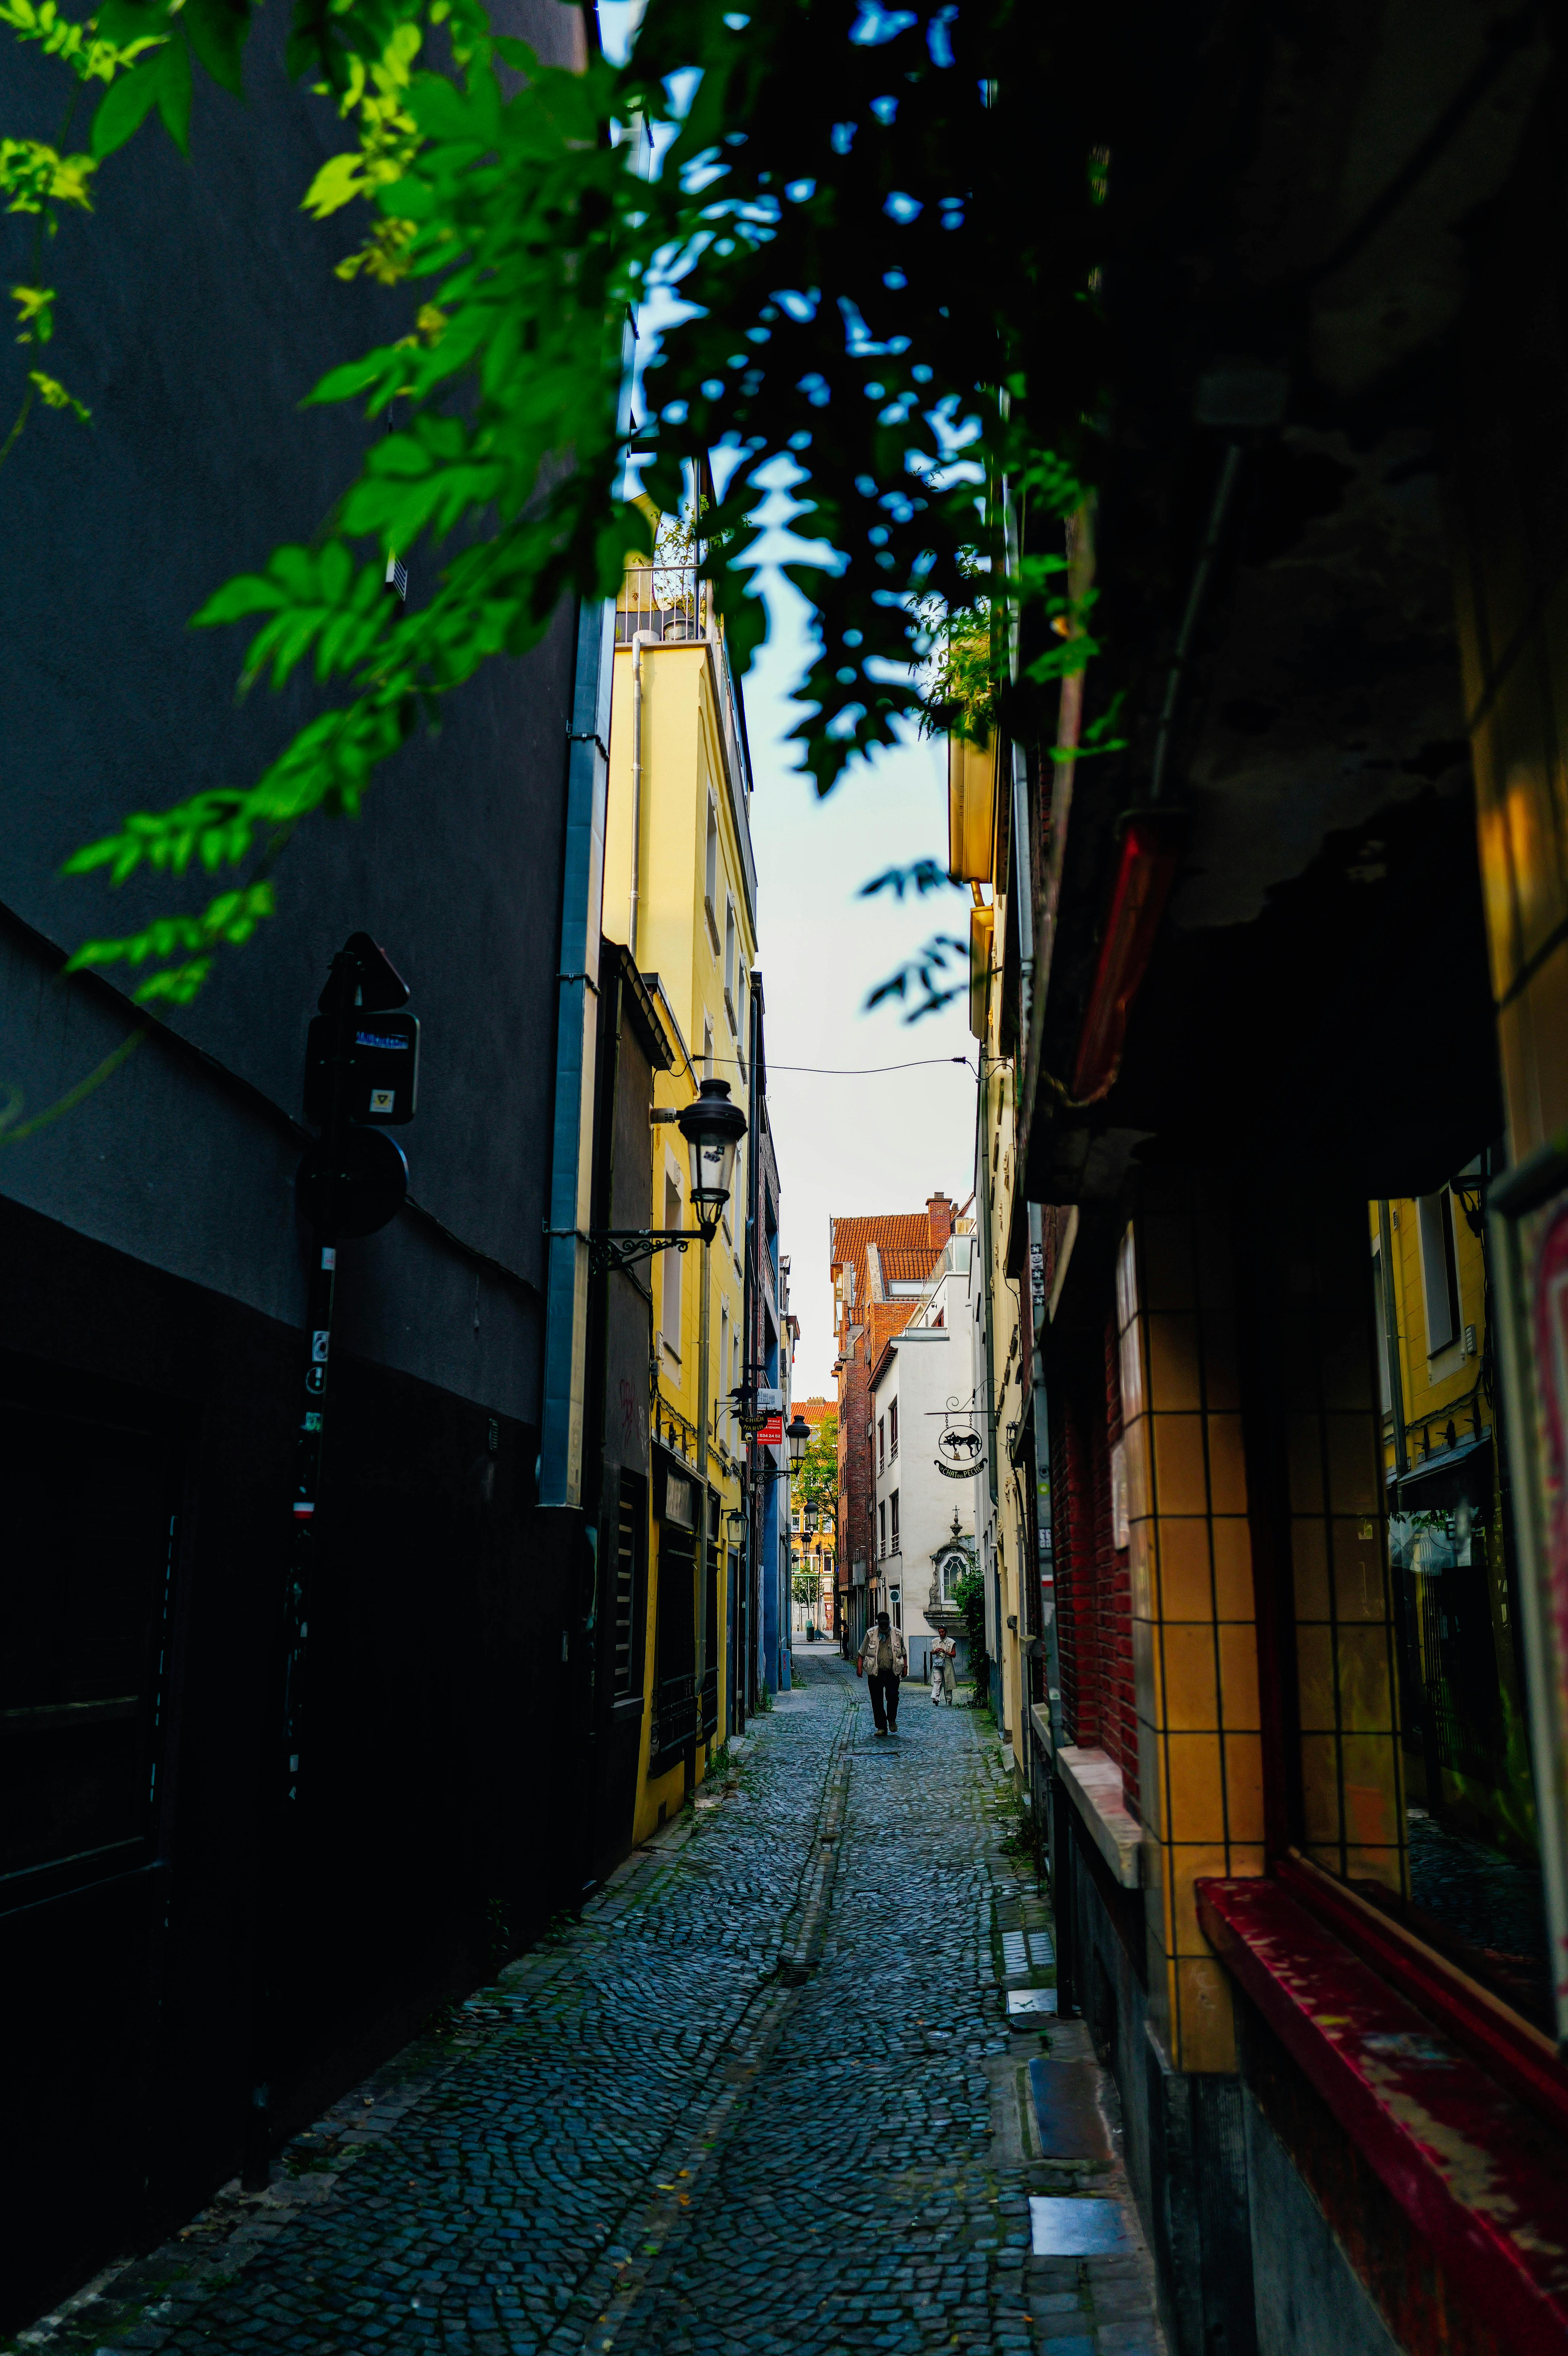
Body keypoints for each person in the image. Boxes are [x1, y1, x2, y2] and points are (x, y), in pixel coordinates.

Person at [858, 1609, 907, 1735]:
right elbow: (862, 1653)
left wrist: (905, 1668)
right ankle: (882, 1727)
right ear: (878, 1624)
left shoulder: (897, 1634)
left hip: (893, 1672)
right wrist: (860, 1668)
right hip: (876, 1672)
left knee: (893, 1696)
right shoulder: (870, 1634)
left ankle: (892, 1720)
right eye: (882, 1625)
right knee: (877, 1700)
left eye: (886, 1624)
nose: (884, 1627)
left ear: (889, 1623)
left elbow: (903, 1653)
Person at [930, 1634, 957, 1706]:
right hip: (938, 1663)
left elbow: (954, 1655)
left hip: (948, 1662)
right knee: (938, 1680)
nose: (942, 1634)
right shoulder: (936, 1641)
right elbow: (932, 1652)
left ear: (946, 1632)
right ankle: (935, 1698)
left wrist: (945, 1652)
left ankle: (949, 1701)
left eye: (943, 1632)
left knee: (948, 1682)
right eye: (940, 1632)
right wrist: (935, 1652)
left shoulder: (951, 1642)